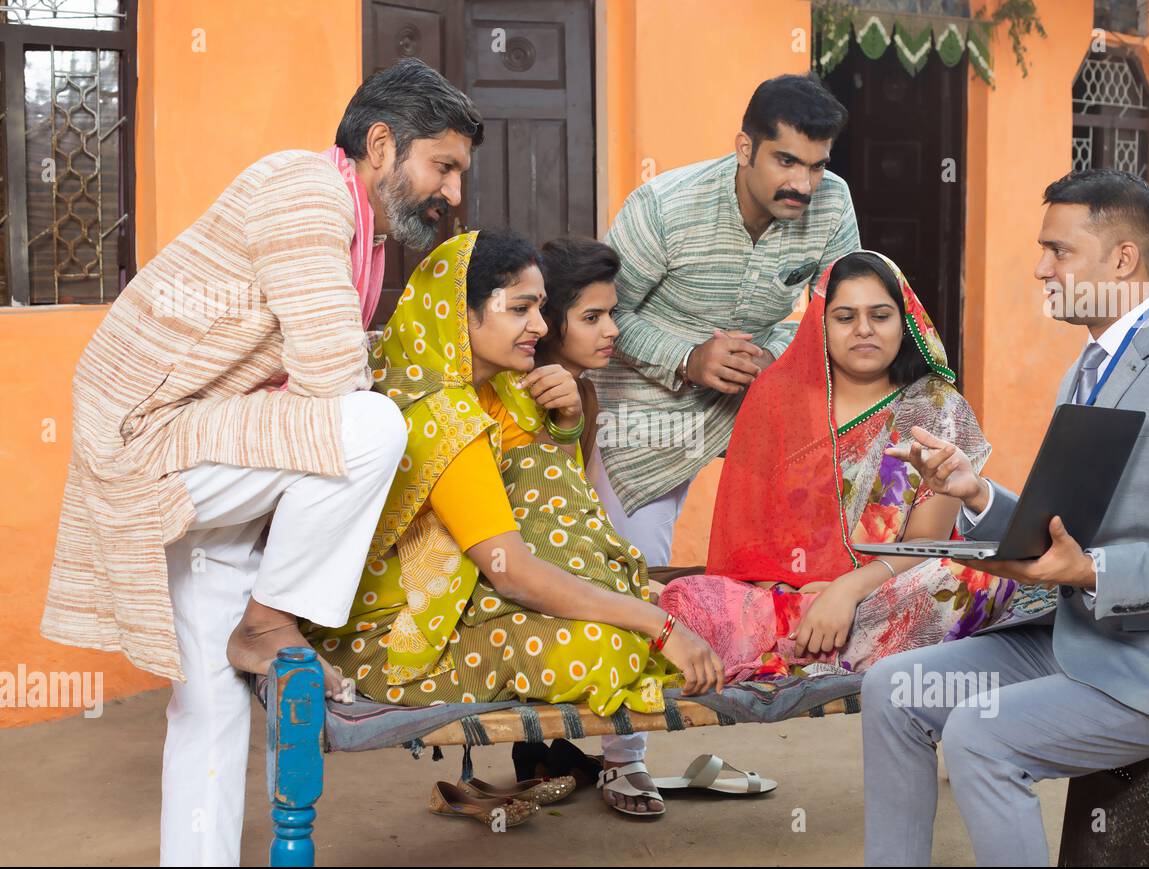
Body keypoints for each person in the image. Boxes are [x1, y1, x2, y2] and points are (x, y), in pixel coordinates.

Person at [39, 58, 479, 866]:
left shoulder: (360, 233)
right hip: (157, 436)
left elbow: (322, 367)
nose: (451, 192)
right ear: (381, 145)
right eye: (442, 166)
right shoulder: (305, 192)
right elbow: (329, 377)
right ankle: (270, 619)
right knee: (372, 428)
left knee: (210, 708)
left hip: (224, 444)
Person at [860, 168, 1149, 866]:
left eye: (1058, 250)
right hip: (1084, 639)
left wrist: (1094, 569)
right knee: (892, 689)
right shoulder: (1087, 367)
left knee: (980, 734)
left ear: (1121, 259)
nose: (1040, 268)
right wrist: (975, 494)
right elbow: (1060, 527)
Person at [305, 229, 724, 817]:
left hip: (474, 589)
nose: (541, 326)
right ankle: (614, 739)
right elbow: (515, 572)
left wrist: (570, 422)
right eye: (520, 309)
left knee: (640, 630)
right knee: (616, 652)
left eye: (539, 307)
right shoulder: (445, 412)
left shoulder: (502, 389)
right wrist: (659, 624)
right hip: (403, 632)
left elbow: (558, 503)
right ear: (463, 314)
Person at [587, 71, 860, 788]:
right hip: (644, 412)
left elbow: (842, 303)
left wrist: (788, 359)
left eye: (817, 163)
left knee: (826, 528)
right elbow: (600, 317)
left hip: (759, 403)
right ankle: (624, 760)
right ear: (745, 147)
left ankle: (829, 680)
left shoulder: (831, 205)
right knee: (634, 572)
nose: (804, 183)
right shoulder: (664, 206)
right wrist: (689, 356)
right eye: (786, 161)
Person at [659, 252, 1015, 681]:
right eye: (845, 317)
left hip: (889, 586)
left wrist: (846, 590)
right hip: (789, 593)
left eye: (880, 316)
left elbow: (927, 543)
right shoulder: (780, 402)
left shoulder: (933, 406)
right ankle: (825, 641)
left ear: (903, 324)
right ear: (819, 326)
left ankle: (803, 643)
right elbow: (751, 539)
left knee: (971, 577)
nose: (863, 330)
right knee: (686, 599)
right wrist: (802, 588)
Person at [535, 236, 623, 466]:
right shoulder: (513, 390)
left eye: (611, 314)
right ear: (548, 321)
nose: (613, 330)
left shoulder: (585, 395)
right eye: (592, 318)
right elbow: (543, 488)